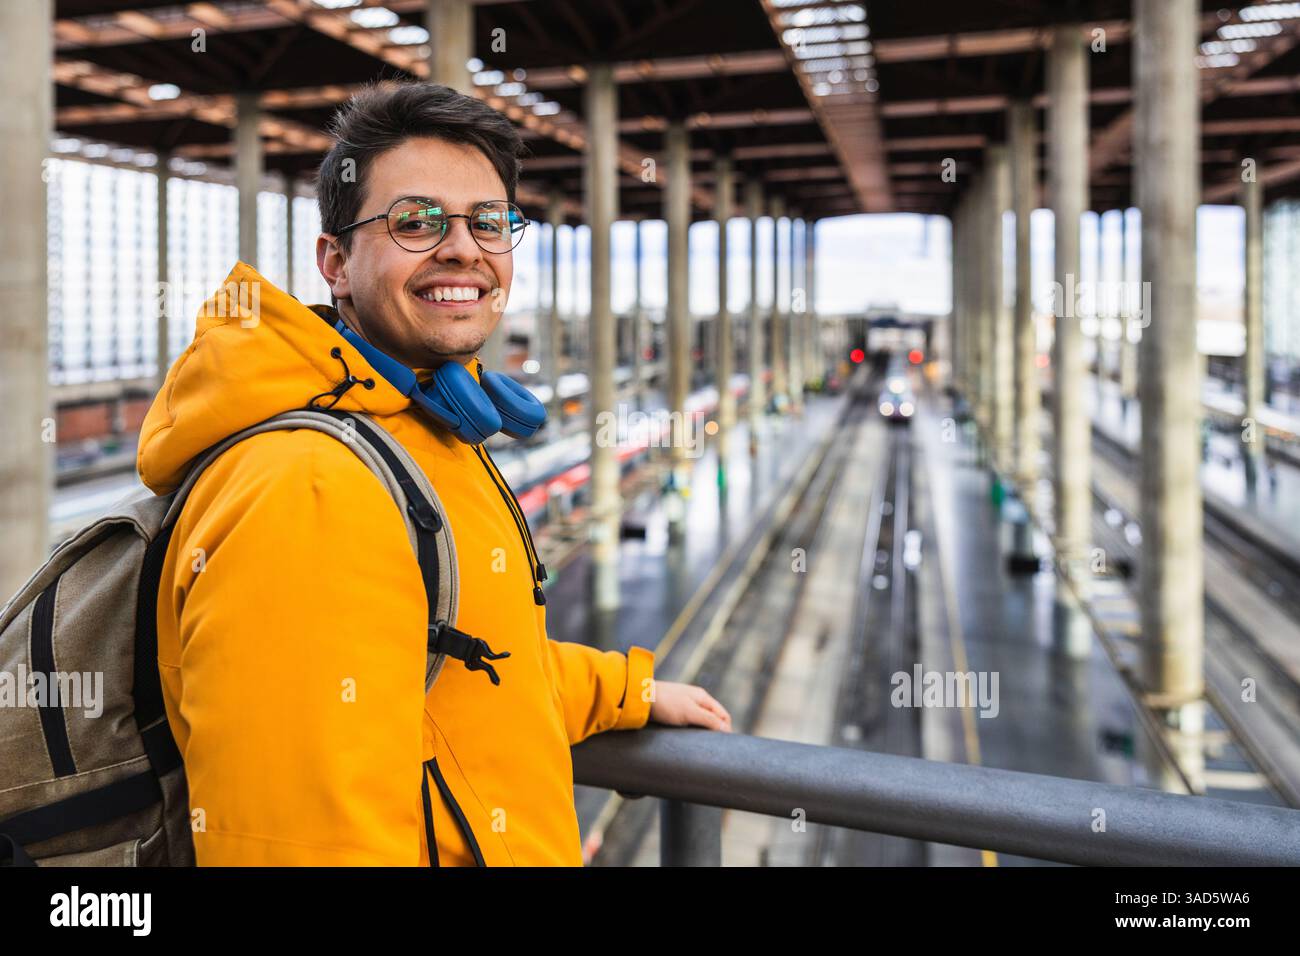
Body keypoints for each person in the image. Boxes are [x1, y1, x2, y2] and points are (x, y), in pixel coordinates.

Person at [137, 81, 731, 866]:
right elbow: (301, 846)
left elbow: (467, 672)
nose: (463, 248)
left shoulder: (423, 431)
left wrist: (623, 691)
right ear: (336, 262)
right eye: (415, 221)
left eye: (488, 221)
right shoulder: (309, 484)